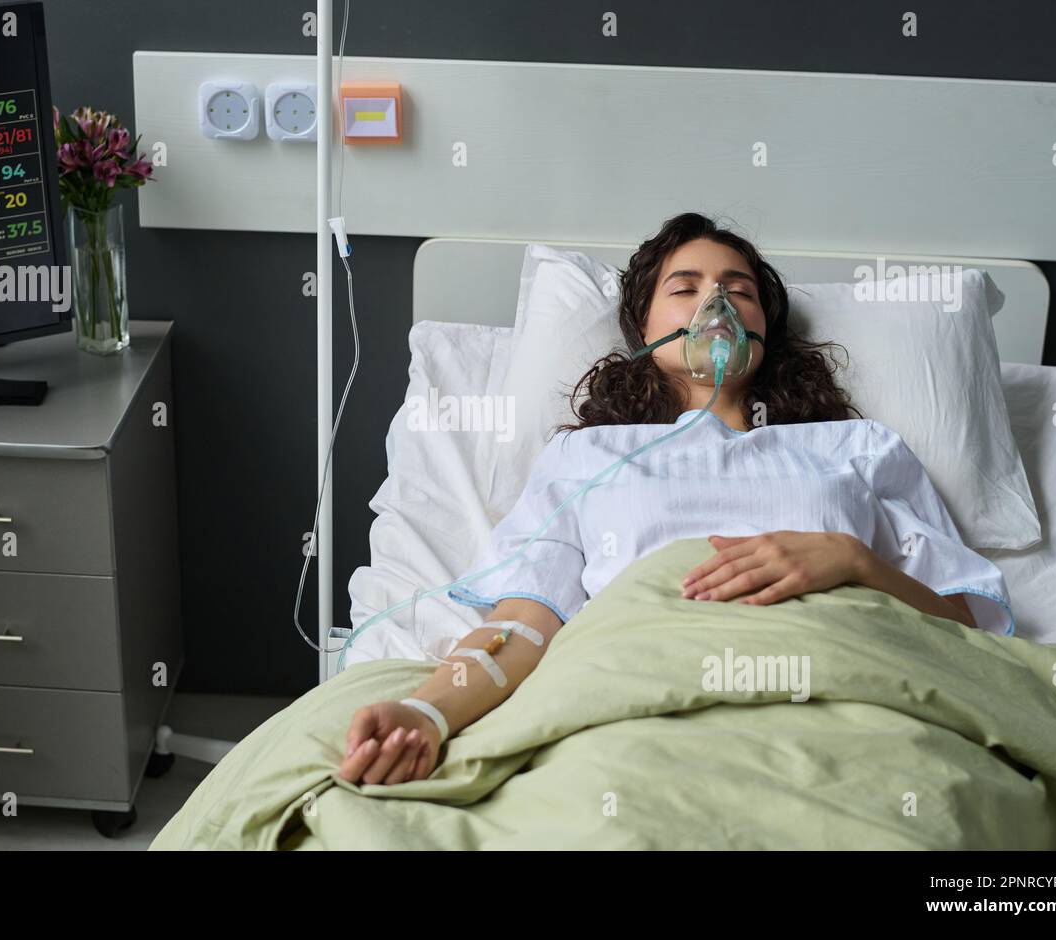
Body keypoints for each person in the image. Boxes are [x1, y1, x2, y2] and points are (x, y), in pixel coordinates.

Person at [337, 212, 1014, 787]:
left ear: (765, 329)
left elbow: (963, 627)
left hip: (839, 686)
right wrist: (426, 711)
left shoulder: (857, 448)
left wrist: (851, 560)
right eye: (684, 288)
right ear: (643, 327)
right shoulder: (587, 457)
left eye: (739, 292)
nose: (713, 304)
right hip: (638, 694)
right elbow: (524, 624)